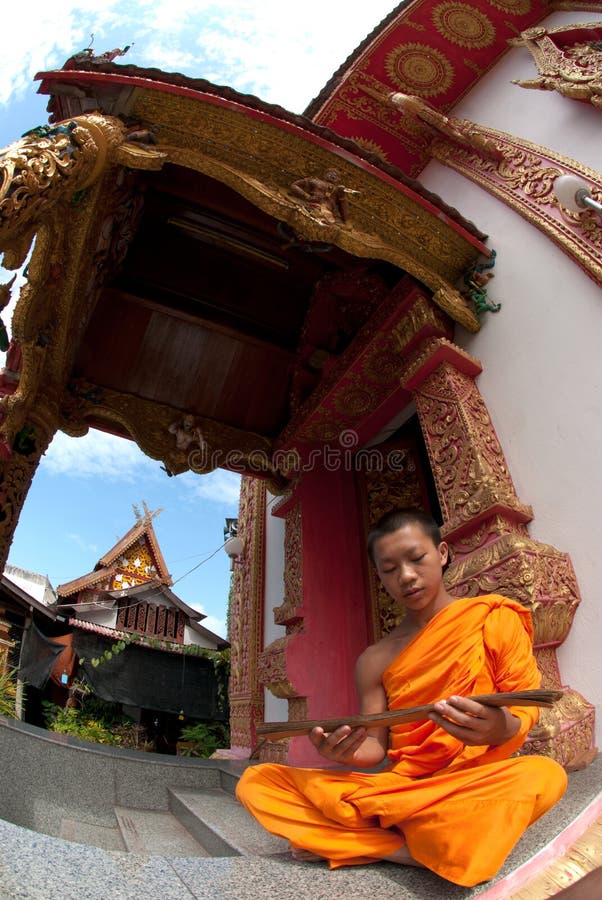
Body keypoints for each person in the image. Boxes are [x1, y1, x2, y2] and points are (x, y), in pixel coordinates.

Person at [236, 508, 568, 887]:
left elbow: (523, 704)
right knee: (258, 784)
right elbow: (375, 747)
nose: (406, 577)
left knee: (543, 774)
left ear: (441, 553)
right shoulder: (374, 659)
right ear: (380, 576)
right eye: (390, 569)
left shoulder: (491, 617)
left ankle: (372, 844)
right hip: (402, 789)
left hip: (470, 784)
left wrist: (499, 727)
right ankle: (413, 846)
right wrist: (343, 753)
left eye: (417, 558)